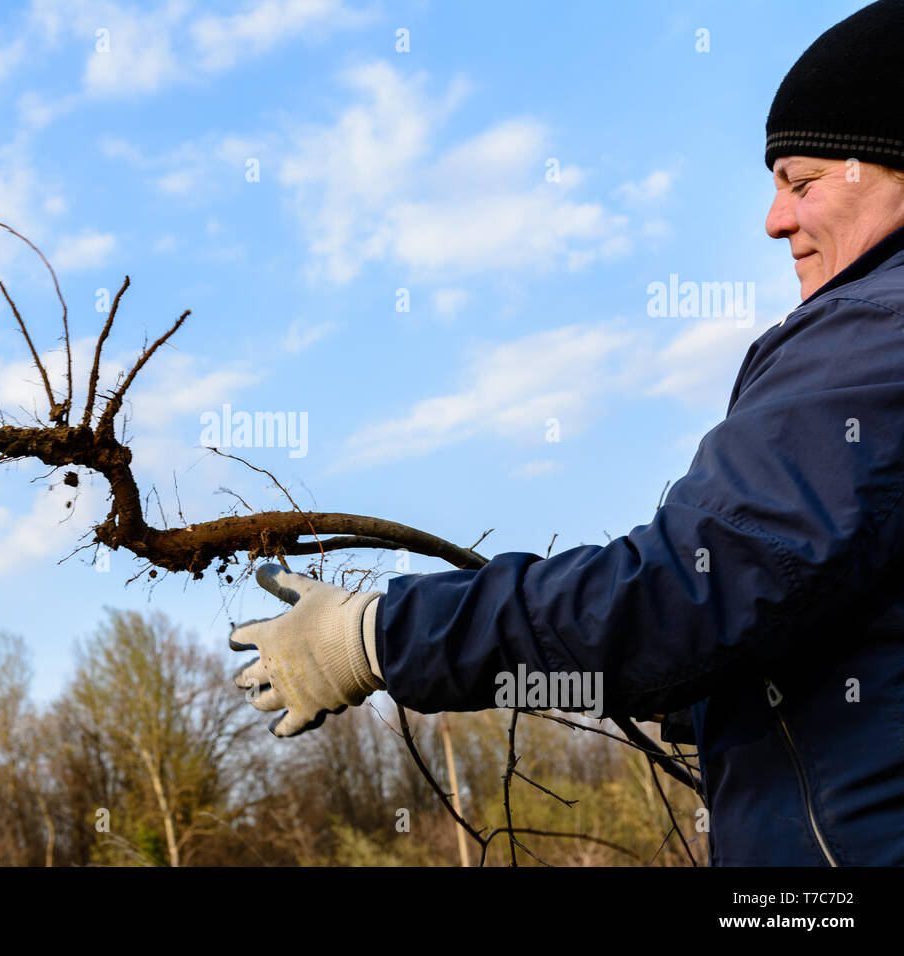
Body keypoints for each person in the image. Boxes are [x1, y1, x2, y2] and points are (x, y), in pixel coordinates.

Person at [228, 0, 904, 866]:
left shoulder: (875, 340)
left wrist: (380, 637)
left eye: (801, 182)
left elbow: (688, 592)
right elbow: (806, 618)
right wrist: (705, 696)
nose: (774, 221)